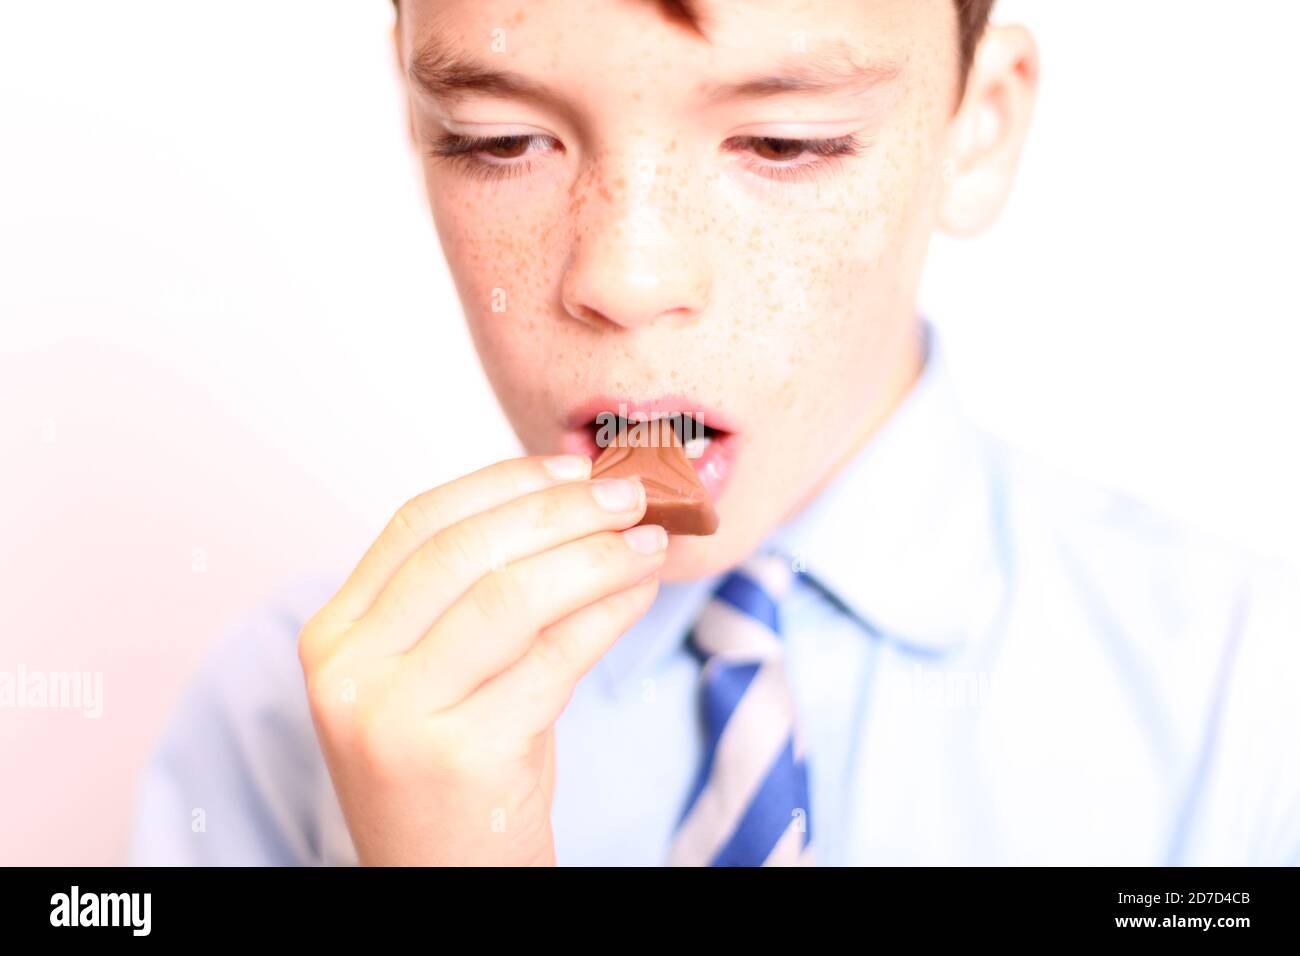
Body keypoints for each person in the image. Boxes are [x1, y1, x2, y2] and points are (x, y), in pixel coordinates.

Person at [127, 0, 1300, 866]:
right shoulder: (284, 724)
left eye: (784, 143)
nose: (624, 276)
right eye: (497, 139)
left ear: (976, 124)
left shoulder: (1249, 702)